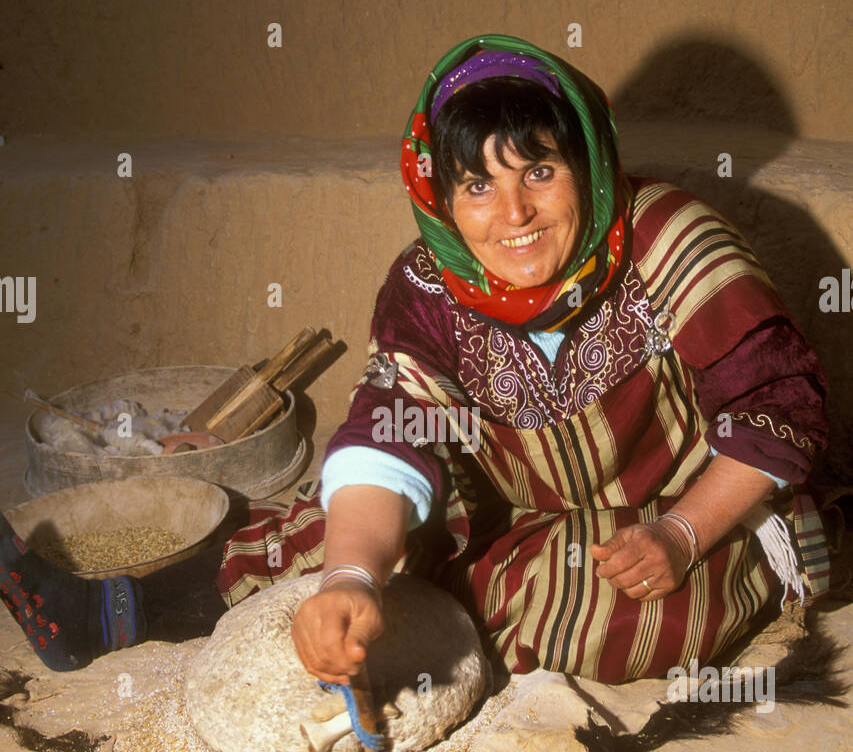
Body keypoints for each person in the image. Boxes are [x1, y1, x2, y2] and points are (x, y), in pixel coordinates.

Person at [0, 34, 830, 686]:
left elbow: (775, 409)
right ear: (438, 196)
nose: (513, 214)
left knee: (602, 615)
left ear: (588, 163)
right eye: (475, 186)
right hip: (515, 505)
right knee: (336, 530)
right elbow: (387, 434)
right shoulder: (427, 285)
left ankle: (442, 615)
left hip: (688, 509)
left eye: (539, 170)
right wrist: (356, 577)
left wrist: (681, 535)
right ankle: (118, 609)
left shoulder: (670, 239)